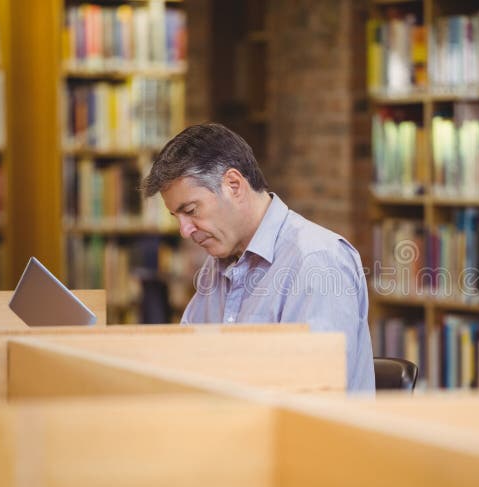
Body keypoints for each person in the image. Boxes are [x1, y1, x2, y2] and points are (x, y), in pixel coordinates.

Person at [142, 123, 375, 392]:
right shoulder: (217, 265)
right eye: (177, 218)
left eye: (191, 210)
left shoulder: (316, 260)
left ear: (233, 185)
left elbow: (315, 388)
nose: (184, 231)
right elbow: (187, 363)